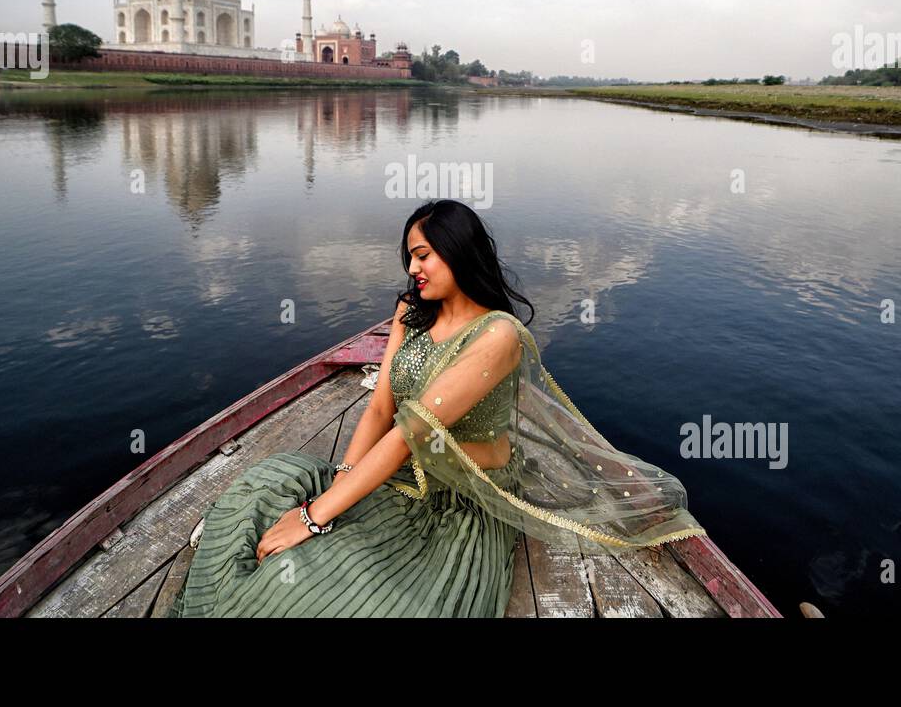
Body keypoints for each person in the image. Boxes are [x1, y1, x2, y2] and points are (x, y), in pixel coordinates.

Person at [167, 199, 704, 618]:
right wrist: (340, 482)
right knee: (266, 482)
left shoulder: (498, 334)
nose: (412, 268)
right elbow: (381, 408)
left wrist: (314, 518)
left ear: (459, 250)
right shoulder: (411, 311)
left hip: (462, 494)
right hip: (394, 464)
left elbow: (409, 434)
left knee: (326, 587)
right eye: (409, 256)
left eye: (423, 254)